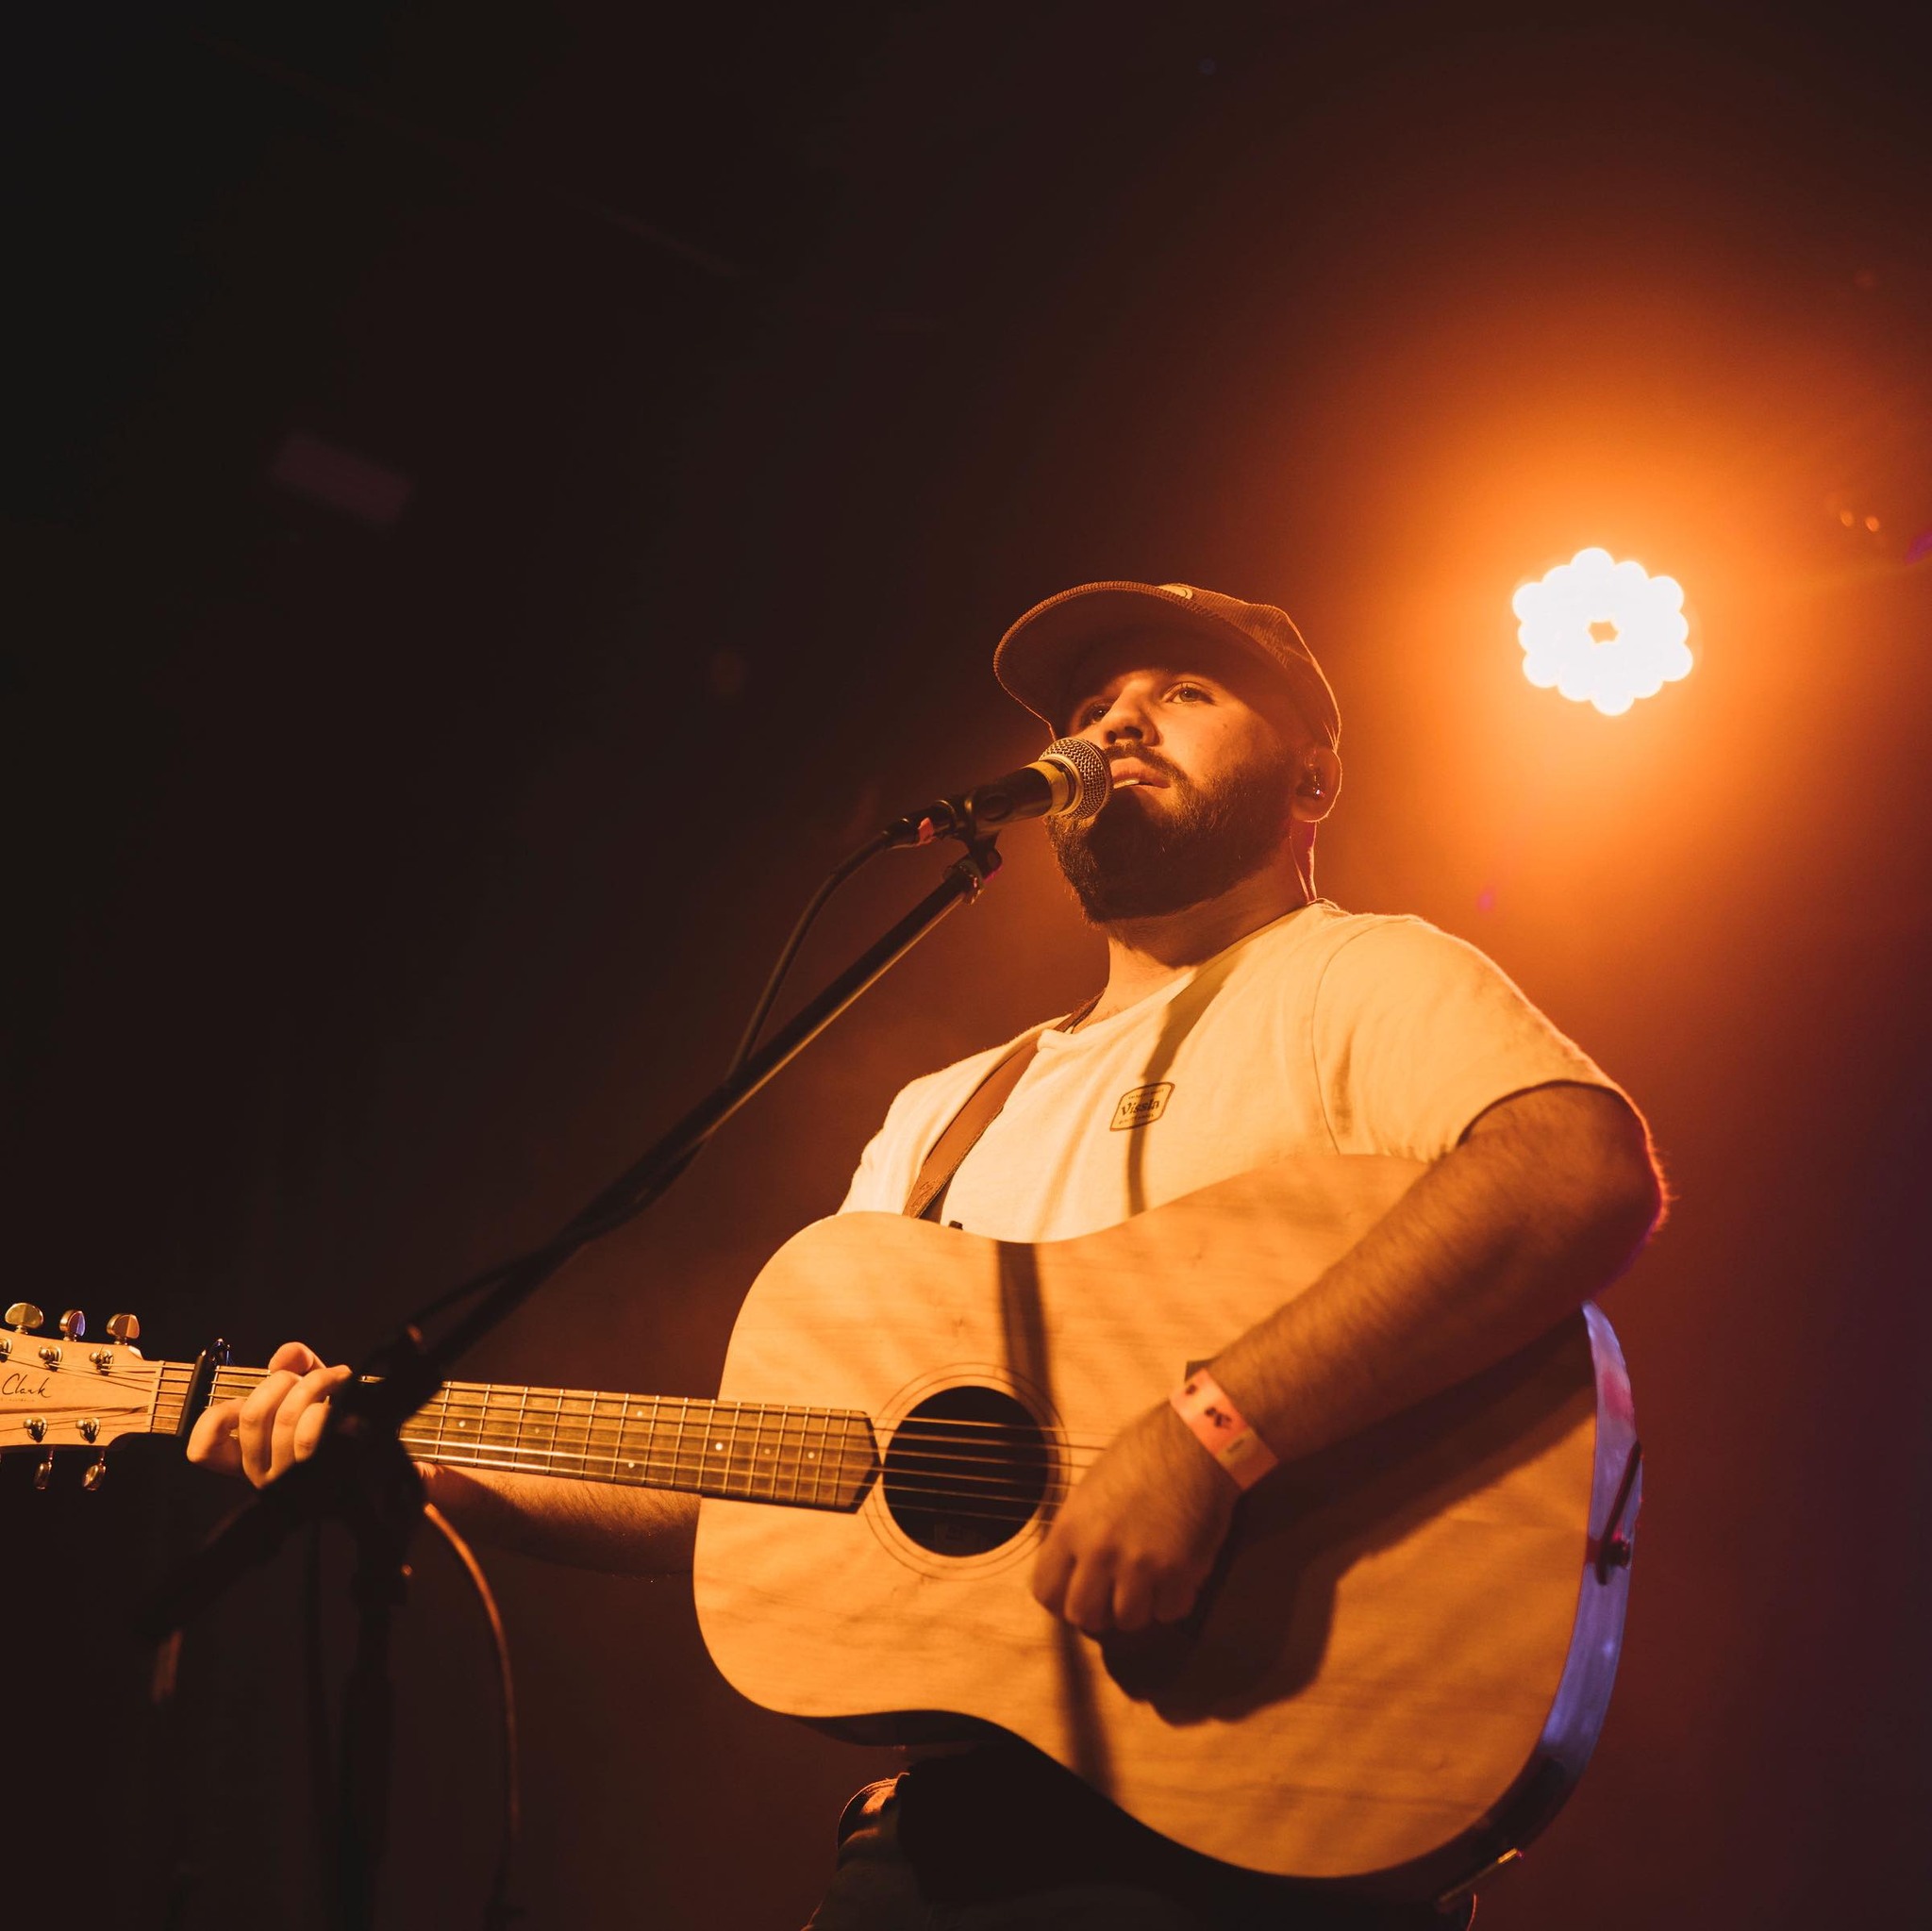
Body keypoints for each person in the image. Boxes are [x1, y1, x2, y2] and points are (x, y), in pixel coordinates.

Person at [188, 579, 1665, 1929]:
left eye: (1185, 691)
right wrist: (431, 1472)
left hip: (1278, 1814)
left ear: (1314, 780)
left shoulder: (1360, 977)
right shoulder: (950, 1111)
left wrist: (1211, 1434)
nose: (1118, 722)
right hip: (952, 1848)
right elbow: (787, 1473)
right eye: (1092, 705)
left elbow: (1577, 1172)